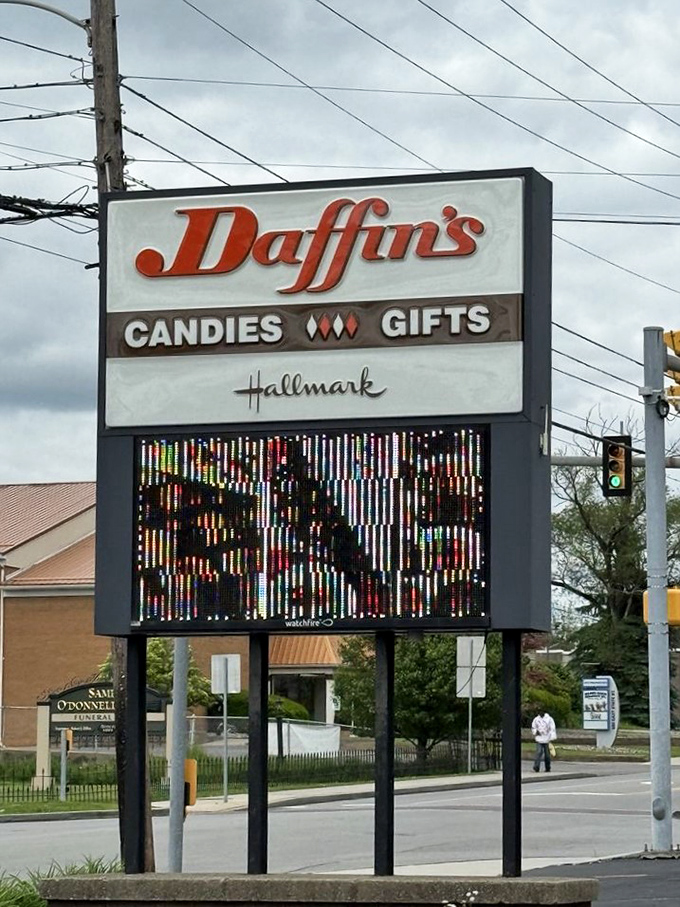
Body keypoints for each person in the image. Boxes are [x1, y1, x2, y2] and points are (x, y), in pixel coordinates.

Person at [531, 708, 556, 772]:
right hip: (539, 738)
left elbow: (552, 728)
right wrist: (536, 732)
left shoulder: (549, 719)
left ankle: (548, 767)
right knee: (539, 752)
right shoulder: (536, 719)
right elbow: (533, 727)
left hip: (547, 739)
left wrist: (551, 737)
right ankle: (536, 766)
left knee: (547, 755)